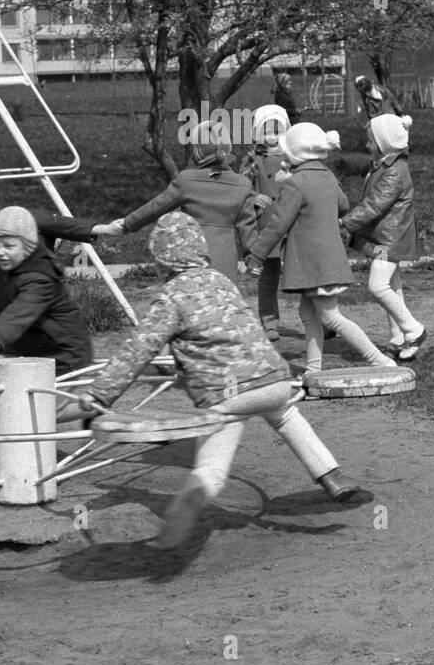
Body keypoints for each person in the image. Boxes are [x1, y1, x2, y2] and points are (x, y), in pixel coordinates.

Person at [80, 212, 362, 549]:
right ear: (201, 250)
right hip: (273, 378)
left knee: (213, 467)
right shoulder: (222, 281)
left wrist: (100, 396)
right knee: (287, 416)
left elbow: (138, 350)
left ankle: (193, 494)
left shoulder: (170, 297)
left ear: (160, 262)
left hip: (226, 394)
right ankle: (331, 475)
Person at [245, 122, 396, 374]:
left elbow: (276, 226)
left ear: (295, 153)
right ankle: (313, 369)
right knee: (308, 314)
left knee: (330, 317)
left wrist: (256, 255)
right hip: (328, 260)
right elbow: (344, 204)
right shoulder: (326, 175)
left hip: (313, 264)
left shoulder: (295, 184)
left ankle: (379, 360)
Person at [0, 205, 115, 376]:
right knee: (13, 393)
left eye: (8, 246)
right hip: (33, 348)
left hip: (63, 353)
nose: (0, 252)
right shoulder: (1, 270)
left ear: (27, 246)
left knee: (29, 398)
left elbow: (19, 313)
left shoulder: (40, 278)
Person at [109, 119, 257, 282]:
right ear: (228, 148)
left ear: (197, 152)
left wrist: (128, 223)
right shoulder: (242, 185)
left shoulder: (186, 181)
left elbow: (156, 207)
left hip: (191, 256)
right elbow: (247, 227)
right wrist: (253, 260)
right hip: (226, 259)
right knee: (223, 302)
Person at [340, 113, 427, 362]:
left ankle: (413, 329)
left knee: (377, 286)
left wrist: (345, 222)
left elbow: (374, 206)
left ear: (384, 143)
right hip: (384, 239)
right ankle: (398, 336)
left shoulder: (394, 172)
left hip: (391, 240)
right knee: (393, 285)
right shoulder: (386, 166)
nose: (367, 146)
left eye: (370, 141)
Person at [238, 105, 291, 340]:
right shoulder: (252, 160)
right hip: (267, 224)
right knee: (268, 276)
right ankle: (269, 321)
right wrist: (252, 196)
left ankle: (322, 317)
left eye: (276, 129)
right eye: (267, 130)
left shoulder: (293, 156)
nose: (271, 135)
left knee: (305, 272)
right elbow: (238, 188)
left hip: (292, 223)